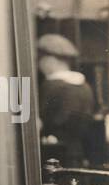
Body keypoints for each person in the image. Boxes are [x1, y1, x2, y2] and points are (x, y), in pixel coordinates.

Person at [36, 33, 97, 167]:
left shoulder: (51, 86)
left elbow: (38, 123)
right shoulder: (85, 86)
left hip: (52, 157)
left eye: (40, 60)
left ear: (50, 60)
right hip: (78, 155)